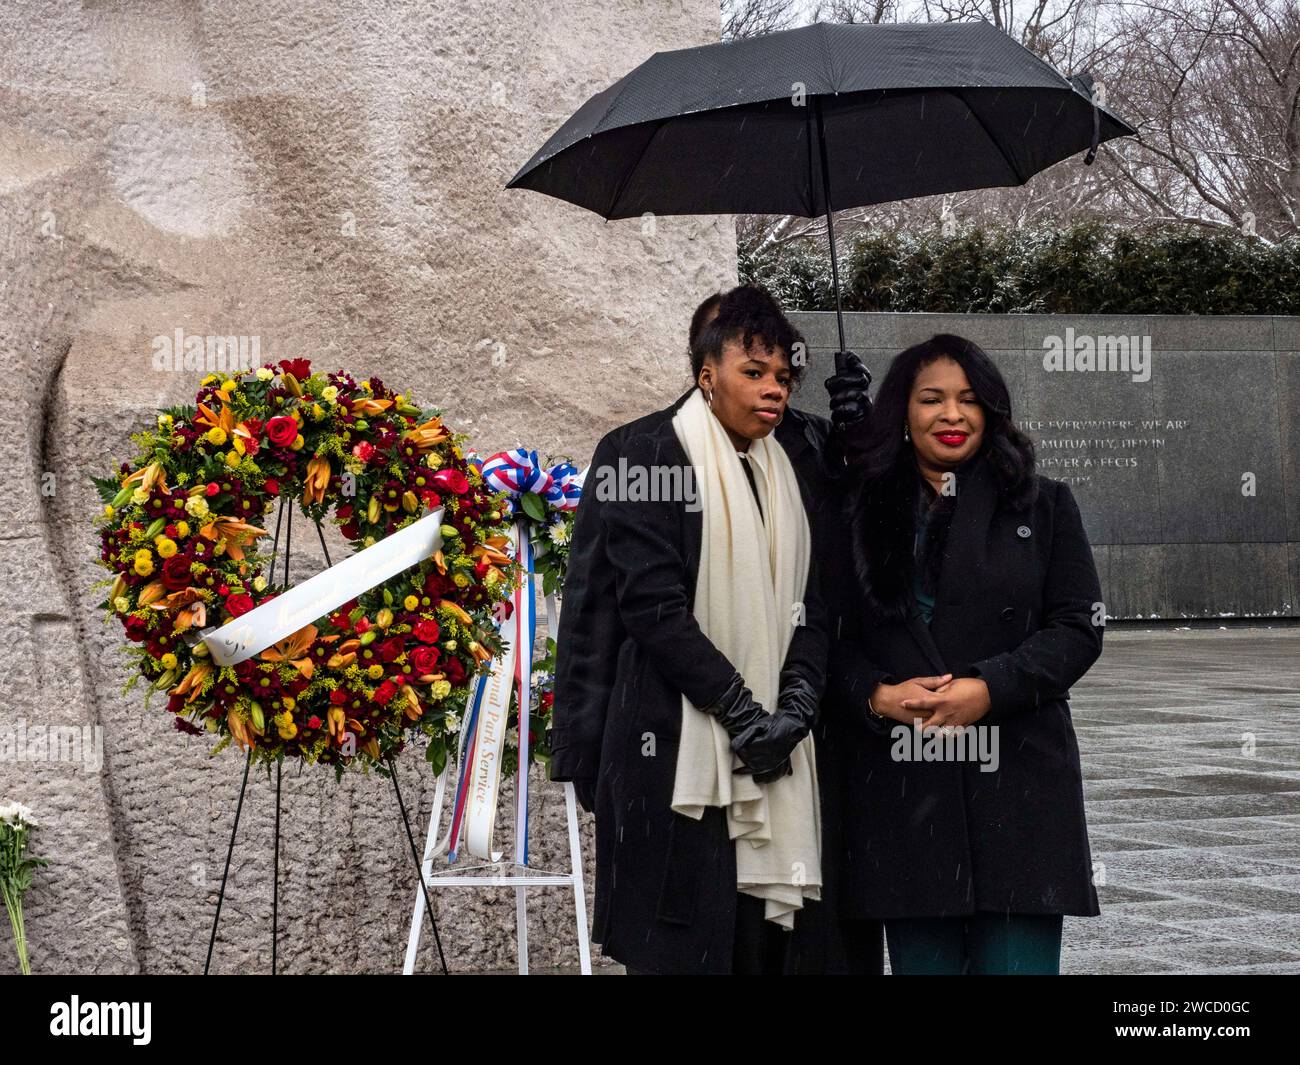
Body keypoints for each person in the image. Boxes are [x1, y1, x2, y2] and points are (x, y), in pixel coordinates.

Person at [549, 285, 867, 974]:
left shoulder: (801, 455)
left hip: (785, 753)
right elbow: (644, 608)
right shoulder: (641, 453)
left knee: (771, 950)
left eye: (783, 375)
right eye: (753, 372)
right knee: (683, 946)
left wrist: (798, 708)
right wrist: (744, 714)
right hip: (671, 749)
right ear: (706, 372)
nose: (773, 388)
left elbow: (821, 595)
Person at [831, 333, 1104, 975]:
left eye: (969, 399)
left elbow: (1077, 627)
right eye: (931, 399)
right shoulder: (855, 507)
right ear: (901, 410)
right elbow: (825, 635)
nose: (952, 415)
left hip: (1019, 787)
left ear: (992, 411)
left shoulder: (1045, 503)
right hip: (904, 790)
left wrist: (990, 687)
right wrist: (874, 695)